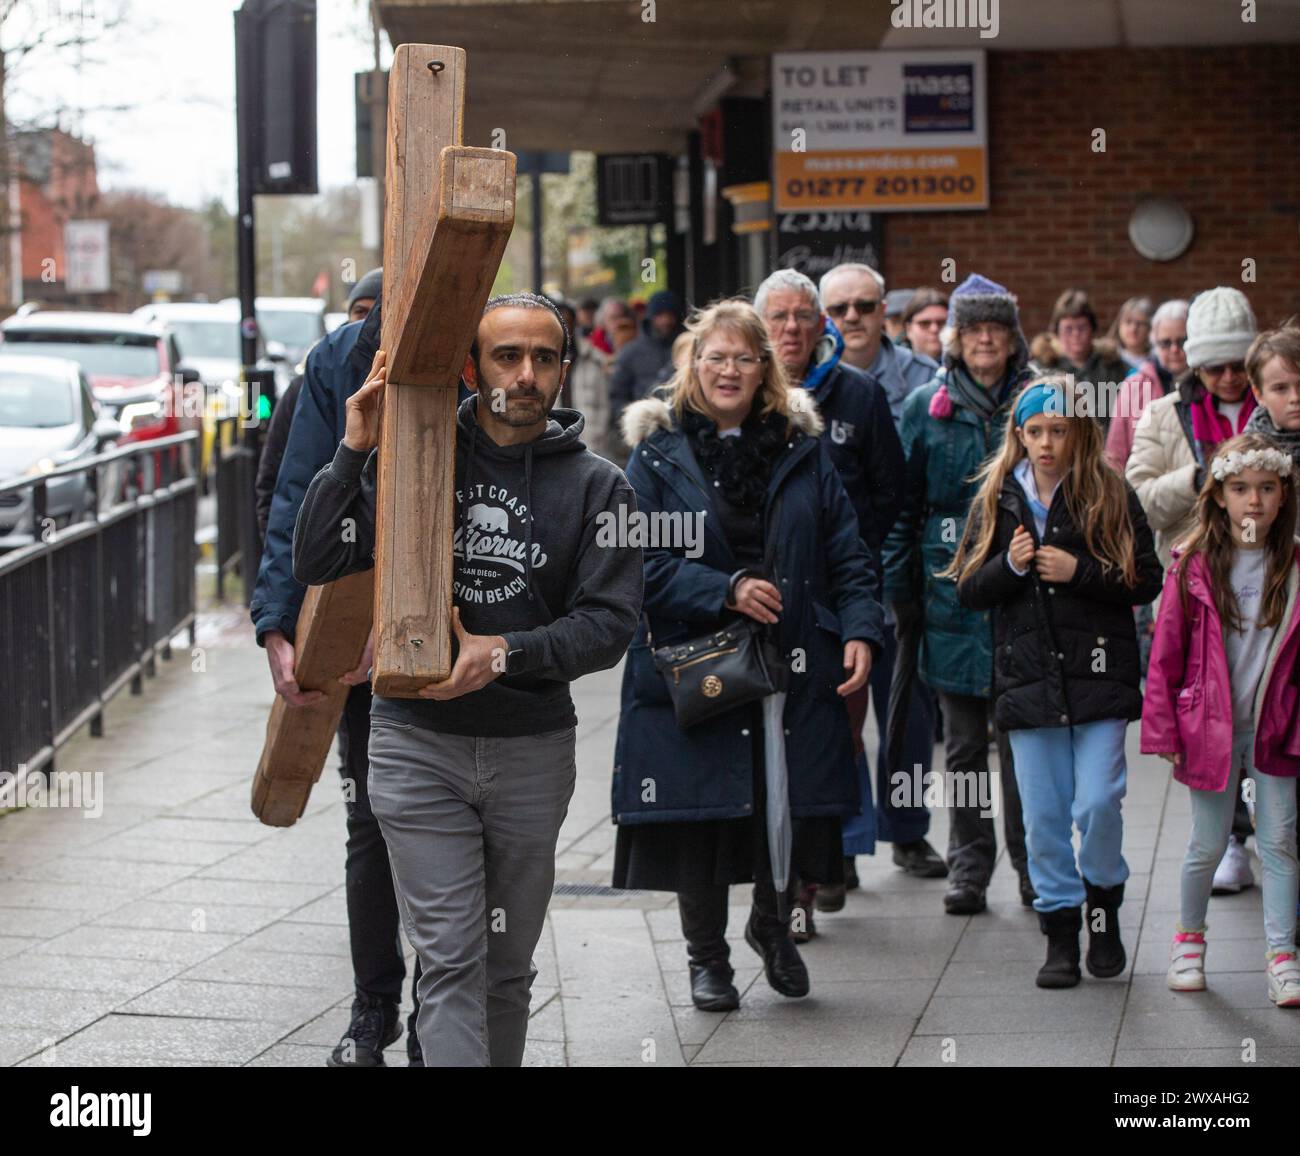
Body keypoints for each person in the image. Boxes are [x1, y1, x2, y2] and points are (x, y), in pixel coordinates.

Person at [293, 292, 643, 1066]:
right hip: (418, 744)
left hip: (531, 750)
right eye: (506, 356)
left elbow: (610, 625)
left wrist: (503, 652)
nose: (524, 374)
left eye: (543, 359)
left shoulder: (599, 487)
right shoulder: (415, 460)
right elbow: (317, 559)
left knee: (506, 972)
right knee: (453, 959)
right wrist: (352, 449)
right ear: (469, 366)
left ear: (563, 370)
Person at [610, 298, 882, 1011]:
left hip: (792, 658)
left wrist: (859, 627)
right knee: (700, 814)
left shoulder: (803, 447)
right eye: (715, 357)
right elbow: (634, 561)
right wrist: (724, 587)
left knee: (782, 804)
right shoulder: (658, 454)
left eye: (744, 357)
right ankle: (708, 961)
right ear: (692, 366)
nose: (729, 370)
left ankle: (773, 922)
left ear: (767, 369)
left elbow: (847, 552)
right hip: (695, 663)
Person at [250, 278, 431, 1068]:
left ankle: (444, 1011)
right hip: (356, 638)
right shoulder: (334, 363)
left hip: (463, 630)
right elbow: (294, 494)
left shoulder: (495, 345)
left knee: (458, 832)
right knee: (371, 823)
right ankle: (374, 1009)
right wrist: (277, 621)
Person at [951, 376, 1162, 988]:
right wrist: (1011, 566)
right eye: (1035, 432)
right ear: (1019, 436)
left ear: (1080, 434)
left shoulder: (1110, 492)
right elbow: (967, 588)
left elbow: (1144, 578)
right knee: (1043, 817)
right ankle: (1061, 932)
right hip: (1027, 685)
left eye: (1059, 431)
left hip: (1099, 678)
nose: (1046, 444)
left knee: (1098, 801)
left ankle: (1104, 910)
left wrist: (1081, 571)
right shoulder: (996, 498)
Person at [756, 268, 937, 926]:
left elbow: (892, 491)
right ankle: (791, 877)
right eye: (780, 316)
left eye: (806, 316)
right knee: (769, 742)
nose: (794, 328)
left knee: (836, 732)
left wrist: (850, 556)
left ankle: (827, 864)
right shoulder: (743, 392)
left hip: (835, 602)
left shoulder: (857, 395)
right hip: (760, 604)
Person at [883, 273, 1037, 915]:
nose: (984, 340)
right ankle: (971, 865)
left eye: (995, 329)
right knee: (966, 745)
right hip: (949, 593)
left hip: (1026, 596)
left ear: (1011, 338)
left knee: (1028, 742)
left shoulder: (1038, 401)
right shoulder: (926, 406)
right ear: (957, 338)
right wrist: (901, 590)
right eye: (973, 329)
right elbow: (901, 505)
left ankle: (1036, 865)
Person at [1142, 433, 1300, 1007]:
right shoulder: (1193, 566)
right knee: (1207, 844)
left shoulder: (1295, 564)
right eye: (1240, 489)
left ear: (1284, 496)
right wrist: (1162, 730)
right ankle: (1188, 942)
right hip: (1209, 727)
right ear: (1220, 496)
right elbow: (1165, 655)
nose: (1253, 501)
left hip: (1276, 726)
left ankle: (1283, 957)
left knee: (1280, 839)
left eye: (1265, 489)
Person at [806, 265, 946, 903]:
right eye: (840, 307)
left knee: (907, 713)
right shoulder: (810, 384)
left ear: (885, 309)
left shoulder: (923, 378)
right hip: (842, 577)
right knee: (840, 708)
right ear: (824, 316)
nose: (853, 316)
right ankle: (845, 839)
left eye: (865, 304)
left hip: (907, 567)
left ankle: (908, 830)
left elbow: (906, 484)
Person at [254, 270, 381, 538]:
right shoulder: (315, 382)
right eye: (360, 312)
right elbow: (280, 482)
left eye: (375, 314)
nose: (365, 323)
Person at [1105, 298, 1188, 471]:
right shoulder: (1133, 386)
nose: (1174, 349)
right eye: (1165, 343)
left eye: (1182, 341)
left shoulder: (1209, 383)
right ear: (1154, 342)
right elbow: (1115, 454)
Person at [1038, 288, 1129, 434]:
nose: (1075, 335)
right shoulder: (1043, 371)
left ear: (1092, 329)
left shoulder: (1115, 367)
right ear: (1056, 333)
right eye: (1068, 329)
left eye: (1082, 328)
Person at [608, 289, 685, 421]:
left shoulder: (686, 349)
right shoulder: (631, 353)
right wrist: (634, 423)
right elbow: (617, 397)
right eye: (660, 315)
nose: (666, 321)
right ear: (650, 317)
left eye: (670, 315)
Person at [902, 288, 949, 363]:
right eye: (924, 323)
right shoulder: (895, 366)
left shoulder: (968, 369)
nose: (934, 329)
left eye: (941, 323)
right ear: (909, 329)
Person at [1108, 295, 1154, 370]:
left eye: (1139, 323)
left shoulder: (1158, 361)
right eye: (1128, 322)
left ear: (1149, 327)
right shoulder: (1108, 360)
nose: (1133, 329)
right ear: (1119, 325)